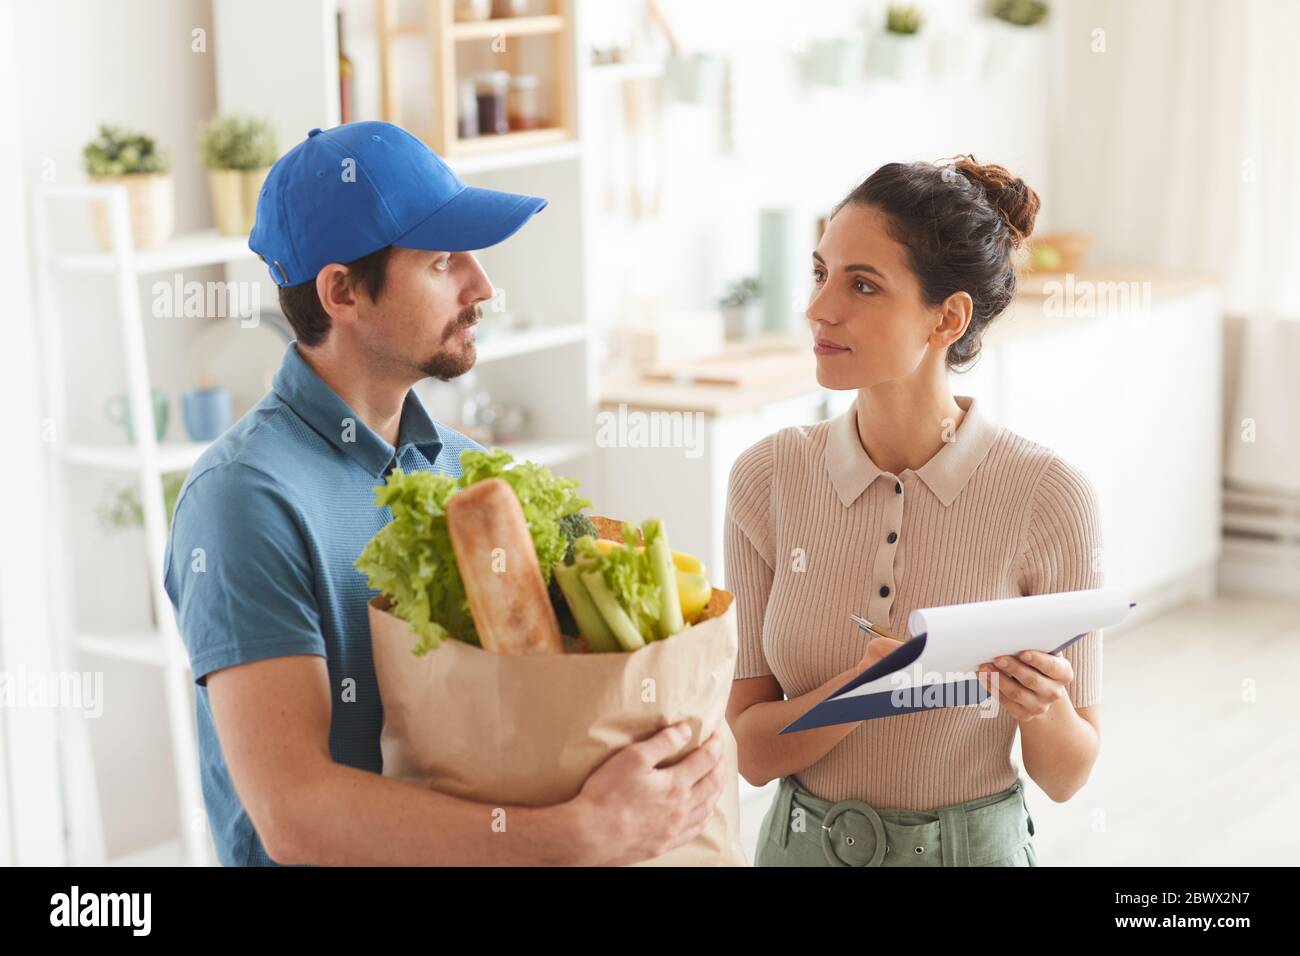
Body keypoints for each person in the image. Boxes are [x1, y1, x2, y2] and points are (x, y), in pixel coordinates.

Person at [164, 121, 724, 866]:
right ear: (340, 291)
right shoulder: (242, 500)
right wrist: (575, 836)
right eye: (441, 261)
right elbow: (294, 815)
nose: (483, 285)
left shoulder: (476, 475)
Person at [724, 156, 1103, 867]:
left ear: (948, 318)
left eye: (861, 284)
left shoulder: (1049, 495)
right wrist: (866, 690)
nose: (818, 308)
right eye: (820, 273)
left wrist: (1044, 707)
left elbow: (1068, 774)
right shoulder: (768, 478)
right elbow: (749, 751)